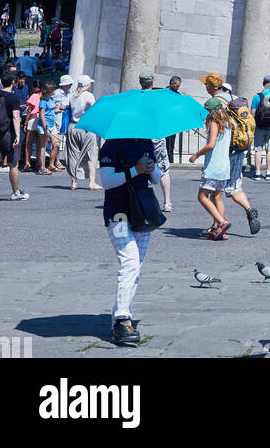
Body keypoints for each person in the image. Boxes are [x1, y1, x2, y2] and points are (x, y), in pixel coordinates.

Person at [99, 134, 163, 345]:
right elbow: (107, 181)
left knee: (135, 266)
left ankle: (121, 315)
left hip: (142, 214)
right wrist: (136, 169)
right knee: (130, 262)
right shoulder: (111, 145)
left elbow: (156, 178)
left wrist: (151, 168)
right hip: (118, 214)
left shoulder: (146, 142)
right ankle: (122, 319)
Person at [199, 74, 260, 233]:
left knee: (215, 194)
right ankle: (249, 210)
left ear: (209, 87)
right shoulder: (234, 98)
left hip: (224, 154)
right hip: (239, 148)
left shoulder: (217, 103)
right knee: (234, 187)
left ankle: (217, 225)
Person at [190, 97, 233, 238]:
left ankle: (221, 222)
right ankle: (221, 230)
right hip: (224, 166)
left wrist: (196, 155)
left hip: (214, 166)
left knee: (202, 196)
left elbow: (211, 145)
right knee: (217, 197)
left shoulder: (215, 123)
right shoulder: (227, 123)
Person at [0, 70, 29, 202]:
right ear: (13, 82)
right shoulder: (13, 97)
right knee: (13, 164)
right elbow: (16, 117)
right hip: (9, 134)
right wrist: (18, 134)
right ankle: (15, 192)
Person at [138, 71, 172, 212]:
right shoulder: (158, 98)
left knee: (142, 169)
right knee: (164, 170)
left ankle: (144, 201)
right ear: (152, 82)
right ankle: (167, 202)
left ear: (140, 83)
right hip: (157, 136)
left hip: (141, 136)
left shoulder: (136, 98)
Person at [66, 77, 101, 190]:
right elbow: (93, 107)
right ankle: (92, 183)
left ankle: (74, 182)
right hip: (86, 126)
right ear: (87, 84)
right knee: (91, 155)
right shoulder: (88, 95)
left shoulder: (72, 95)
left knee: (72, 155)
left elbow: (65, 107)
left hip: (72, 127)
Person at [251, 75, 270, 180]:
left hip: (259, 126)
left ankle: (257, 173)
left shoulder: (257, 96)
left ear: (263, 83)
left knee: (258, 149)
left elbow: (253, 113)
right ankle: (268, 173)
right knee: (269, 150)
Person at [165, 75, 183, 164]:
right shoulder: (164, 93)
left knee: (171, 145)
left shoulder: (178, 95)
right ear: (171, 84)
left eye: (179, 86)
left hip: (173, 123)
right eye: (177, 85)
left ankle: (170, 162)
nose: (178, 87)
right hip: (165, 122)